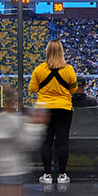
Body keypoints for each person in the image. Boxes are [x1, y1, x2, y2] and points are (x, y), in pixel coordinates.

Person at [29, 39, 80, 185]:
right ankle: (62, 175)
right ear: (61, 52)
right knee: (62, 142)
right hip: (64, 108)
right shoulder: (69, 69)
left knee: (46, 142)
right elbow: (73, 89)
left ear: (47, 52)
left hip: (44, 109)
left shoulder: (39, 70)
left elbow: (33, 89)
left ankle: (47, 175)